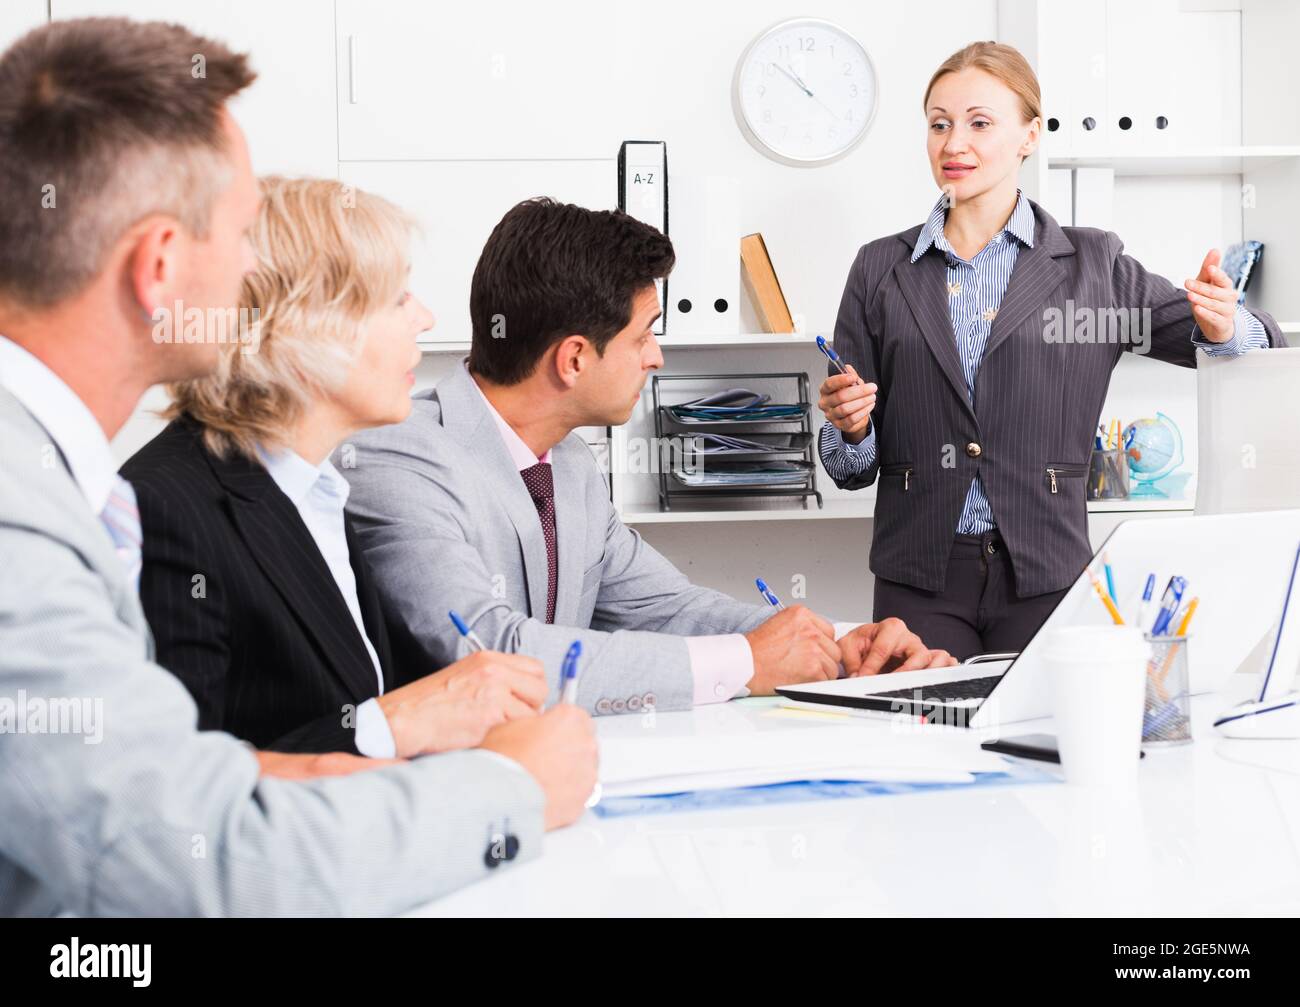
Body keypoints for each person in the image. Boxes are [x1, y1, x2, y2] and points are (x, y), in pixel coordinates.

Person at [0, 16, 594, 916]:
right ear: (160, 267)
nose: (255, 273)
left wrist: (316, 766)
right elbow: (188, 862)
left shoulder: (49, 480)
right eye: (243, 233)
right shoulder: (23, 516)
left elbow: (139, 787)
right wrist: (513, 790)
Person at [341, 197, 956, 714]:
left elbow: (666, 607)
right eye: (644, 335)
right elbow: (489, 650)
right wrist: (746, 661)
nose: (656, 357)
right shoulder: (401, 453)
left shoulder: (570, 464)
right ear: (574, 358)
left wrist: (839, 642)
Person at [817, 41, 1283, 659]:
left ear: (1030, 135)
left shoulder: (1093, 264)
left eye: (980, 123)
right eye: (939, 124)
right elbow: (849, 469)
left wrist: (1224, 326)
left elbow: (1253, 341)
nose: (955, 144)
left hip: (1047, 575)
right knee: (922, 721)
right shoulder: (879, 268)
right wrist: (850, 429)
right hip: (919, 579)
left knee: (1050, 721)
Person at [121, 176, 549, 758]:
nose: (425, 318)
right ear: (306, 327)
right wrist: (394, 724)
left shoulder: (314, 488)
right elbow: (174, 778)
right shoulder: (162, 510)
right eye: (398, 298)